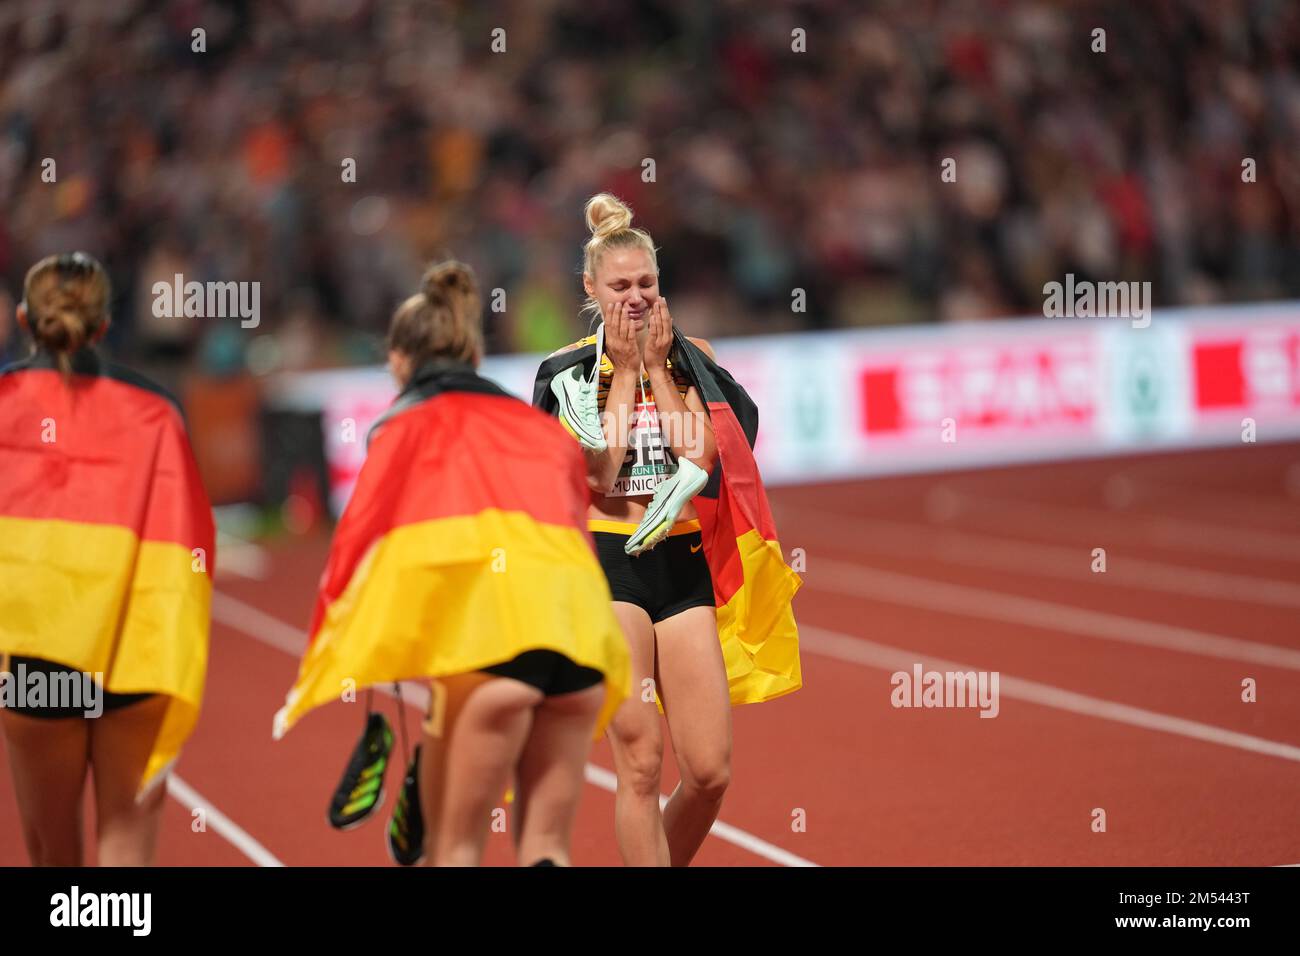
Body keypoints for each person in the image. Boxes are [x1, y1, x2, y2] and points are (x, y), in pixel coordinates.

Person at [275, 260, 629, 867]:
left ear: (397, 361)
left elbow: (362, 548)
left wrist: (337, 664)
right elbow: (582, 525)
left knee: (455, 849)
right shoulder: (534, 425)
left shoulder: (398, 427)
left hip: (492, 654)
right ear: (473, 352)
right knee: (546, 849)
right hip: (582, 642)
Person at [533, 194, 803, 866]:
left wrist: (656, 367)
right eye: (619, 286)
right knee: (641, 764)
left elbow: (701, 457)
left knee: (709, 772)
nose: (635, 298)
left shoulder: (694, 359)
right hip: (607, 562)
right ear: (591, 289)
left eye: (646, 284)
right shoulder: (566, 372)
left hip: (681, 565)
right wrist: (624, 373)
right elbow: (597, 470)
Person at [0, 252, 215, 866]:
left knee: (53, 858)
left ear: (24, 319)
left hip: (41, 659)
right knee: (127, 850)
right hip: (135, 654)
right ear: (104, 325)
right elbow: (191, 547)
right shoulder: (156, 410)